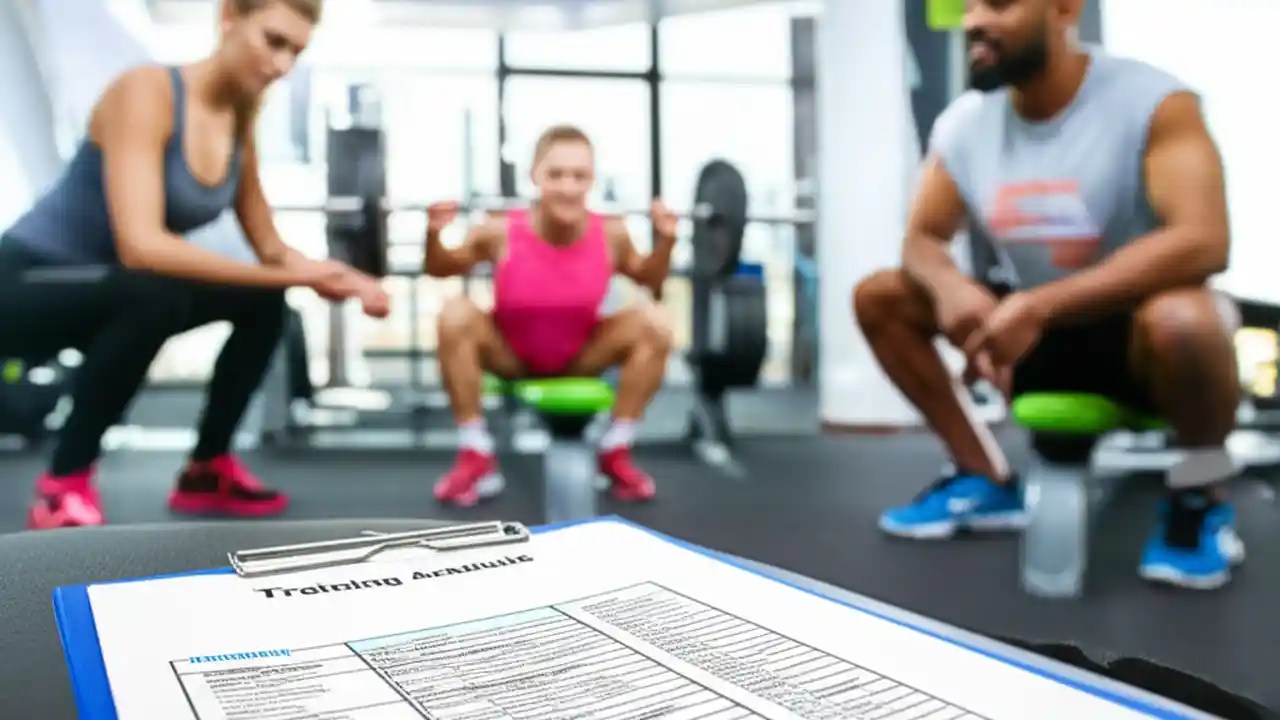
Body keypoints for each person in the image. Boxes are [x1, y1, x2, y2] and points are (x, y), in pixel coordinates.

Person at [853, 0, 1243, 589]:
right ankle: (982, 474)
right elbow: (922, 239)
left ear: (1064, 8)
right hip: (1026, 336)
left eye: (999, 4)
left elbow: (1204, 240)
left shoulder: (1155, 102)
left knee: (1187, 317)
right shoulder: (966, 123)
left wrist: (1037, 306)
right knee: (882, 295)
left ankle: (1199, 493)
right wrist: (951, 288)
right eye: (969, 6)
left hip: (1139, 344)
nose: (974, 20)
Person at [0, 0, 389, 530]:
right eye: (273, 41)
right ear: (229, 17)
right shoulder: (147, 92)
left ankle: (207, 469)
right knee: (153, 293)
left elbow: (271, 250)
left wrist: (342, 277)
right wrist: (299, 275)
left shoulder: (239, 121)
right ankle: (62, 485)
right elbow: (143, 246)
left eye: (295, 52)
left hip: (111, 292)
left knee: (261, 299)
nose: (281, 65)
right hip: (25, 283)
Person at [425, 125, 677, 508]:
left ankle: (616, 449)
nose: (568, 187)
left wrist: (668, 241)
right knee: (454, 313)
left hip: (582, 355)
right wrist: (433, 234)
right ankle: (475, 452)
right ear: (535, 176)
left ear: (591, 179)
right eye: (556, 174)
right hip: (511, 355)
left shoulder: (611, 233)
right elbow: (442, 268)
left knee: (656, 321)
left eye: (579, 176)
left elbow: (650, 279)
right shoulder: (499, 229)